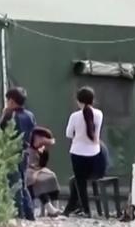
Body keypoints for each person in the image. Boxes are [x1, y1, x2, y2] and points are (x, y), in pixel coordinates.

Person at [63, 86, 104, 218]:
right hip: (95, 152)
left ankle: (85, 209)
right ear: (93, 100)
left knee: (80, 182)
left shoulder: (74, 116)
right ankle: (71, 208)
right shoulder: (99, 114)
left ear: (78, 100)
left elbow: (69, 134)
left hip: (77, 152)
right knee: (78, 181)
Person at [0, 87, 36, 221]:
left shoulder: (11, 115)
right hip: (25, 152)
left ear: (12, 101)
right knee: (22, 183)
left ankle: (18, 213)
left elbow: (2, 130)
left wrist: (4, 114)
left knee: (15, 184)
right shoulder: (30, 115)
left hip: (12, 152)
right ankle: (29, 213)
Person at [25, 126, 60, 217]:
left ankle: (55, 206)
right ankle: (49, 207)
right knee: (38, 182)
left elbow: (42, 164)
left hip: (39, 170)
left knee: (52, 177)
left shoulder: (42, 150)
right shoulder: (28, 149)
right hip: (29, 172)